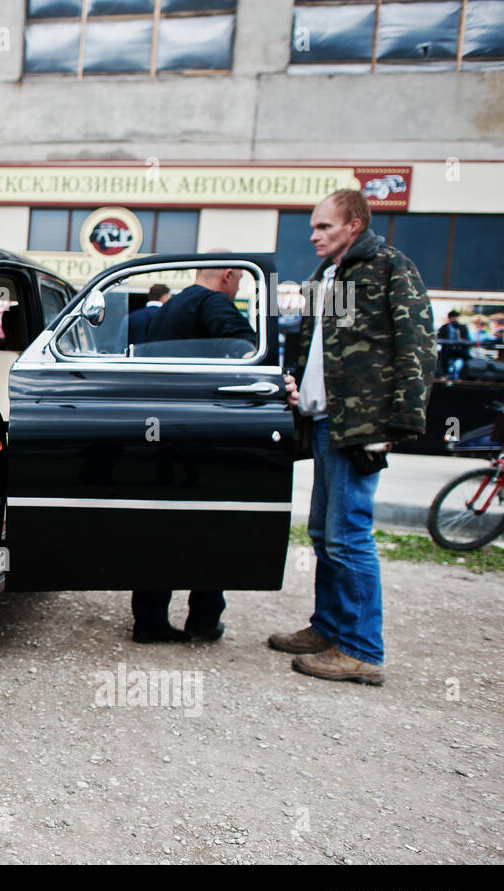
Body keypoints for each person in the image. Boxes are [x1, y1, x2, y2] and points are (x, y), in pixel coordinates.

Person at [271, 189, 436, 685]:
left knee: (348, 538)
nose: (314, 235)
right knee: (324, 534)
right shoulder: (329, 276)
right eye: (314, 227)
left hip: (361, 427)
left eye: (324, 227)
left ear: (355, 225)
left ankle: (362, 650)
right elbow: (326, 349)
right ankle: (329, 629)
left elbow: (417, 347)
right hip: (327, 422)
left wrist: (397, 425)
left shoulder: (389, 267)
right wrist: (300, 384)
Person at [129, 256, 256, 644]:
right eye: (237, 283)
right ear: (228, 274)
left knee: (159, 524)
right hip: (202, 425)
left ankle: (149, 619)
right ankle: (203, 619)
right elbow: (246, 350)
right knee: (210, 522)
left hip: (161, 424)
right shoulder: (215, 303)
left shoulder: (170, 307)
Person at [126, 283, 169, 348]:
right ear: (165, 297)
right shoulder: (168, 316)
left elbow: (121, 343)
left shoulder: (132, 316)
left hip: (135, 356)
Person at [436, 310, 471, 378]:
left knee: (467, 358)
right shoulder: (444, 327)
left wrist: (462, 339)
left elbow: (467, 339)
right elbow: (439, 338)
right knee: (443, 357)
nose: (454, 319)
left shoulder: (462, 327)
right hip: (447, 348)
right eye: (453, 317)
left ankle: (463, 375)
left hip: (460, 348)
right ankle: (446, 373)